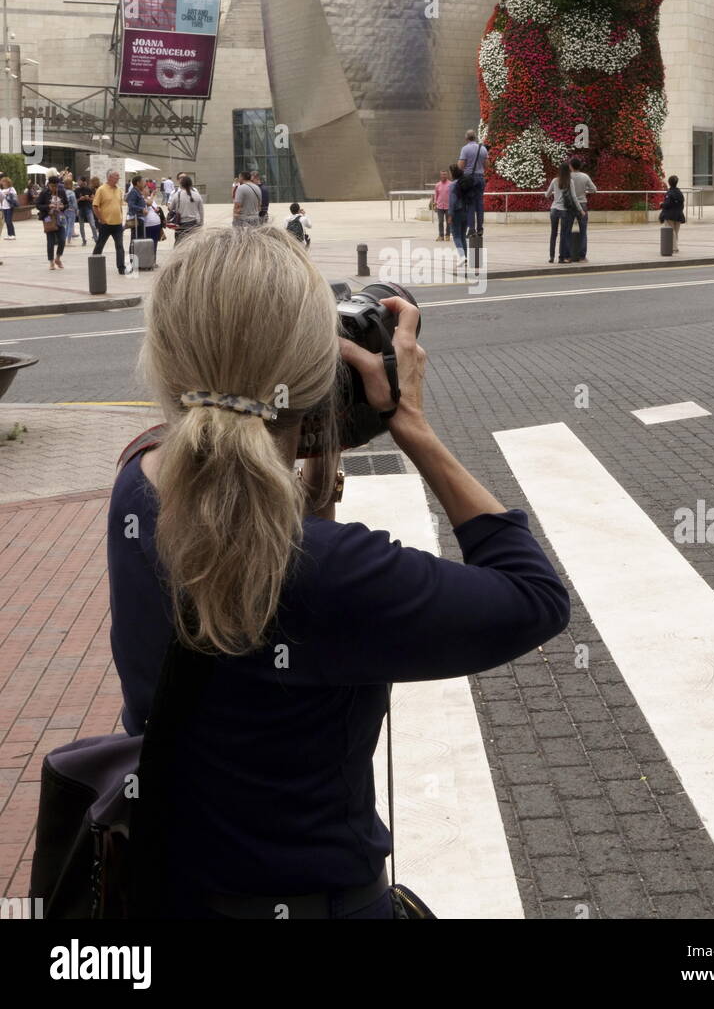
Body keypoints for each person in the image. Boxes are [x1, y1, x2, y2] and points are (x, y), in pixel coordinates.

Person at [106, 226, 570, 919]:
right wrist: (410, 424)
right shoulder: (326, 572)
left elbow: (232, 479)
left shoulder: (136, 484)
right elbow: (534, 597)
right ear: (319, 372)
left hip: (168, 884)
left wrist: (301, 441)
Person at [93, 170, 129, 276]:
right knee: (100, 244)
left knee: (120, 246)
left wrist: (122, 218)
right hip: (106, 224)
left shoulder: (119, 190)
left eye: (118, 177)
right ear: (109, 177)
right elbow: (95, 206)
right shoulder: (101, 189)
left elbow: (119, 205)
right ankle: (94, 264)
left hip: (117, 224)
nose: (118, 178)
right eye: (116, 177)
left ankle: (121, 268)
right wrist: (100, 219)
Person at [544, 162, 580, 264]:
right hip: (564, 210)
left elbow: (547, 195)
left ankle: (551, 257)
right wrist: (580, 209)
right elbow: (574, 197)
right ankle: (561, 258)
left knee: (553, 234)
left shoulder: (555, 180)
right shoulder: (570, 182)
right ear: (568, 171)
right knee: (563, 235)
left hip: (554, 209)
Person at [457, 130, 488, 241]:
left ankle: (471, 230)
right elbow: (486, 165)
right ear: (475, 137)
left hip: (470, 179)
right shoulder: (483, 149)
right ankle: (480, 229)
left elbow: (460, 166)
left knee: (470, 205)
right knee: (479, 204)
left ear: (466, 138)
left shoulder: (465, 149)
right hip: (480, 178)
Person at [36, 175, 68, 270]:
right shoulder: (44, 193)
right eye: (53, 186)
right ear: (49, 185)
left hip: (60, 218)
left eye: (56, 186)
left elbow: (67, 204)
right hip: (48, 218)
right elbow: (37, 205)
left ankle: (58, 258)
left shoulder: (61, 192)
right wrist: (48, 206)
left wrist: (63, 207)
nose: (54, 188)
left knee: (62, 240)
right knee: (50, 242)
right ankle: (51, 262)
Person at [568, 157, 597, 261]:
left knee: (567, 230)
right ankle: (582, 256)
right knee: (583, 231)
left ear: (571, 166)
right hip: (583, 204)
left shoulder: (568, 177)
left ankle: (568, 255)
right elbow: (594, 189)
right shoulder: (585, 176)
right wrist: (585, 190)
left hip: (570, 205)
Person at [168, 175, 204, 242]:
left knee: (179, 244)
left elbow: (170, 208)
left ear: (181, 185)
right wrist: (201, 223)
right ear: (191, 184)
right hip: (194, 223)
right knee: (192, 244)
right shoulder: (197, 195)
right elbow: (201, 211)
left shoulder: (177, 195)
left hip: (180, 224)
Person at [448, 163, 469, 267]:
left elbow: (452, 201)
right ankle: (465, 257)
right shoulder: (463, 183)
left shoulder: (453, 185)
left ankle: (462, 256)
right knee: (463, 236)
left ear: (453, 173)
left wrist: (450, 214)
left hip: (457, 212)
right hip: (466, 211)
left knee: (456, 236)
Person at [659, 174, 686, 252]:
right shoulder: (680, 193)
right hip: (679, 215)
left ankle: (674, 248)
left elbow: (667, 204)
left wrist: (661, 204)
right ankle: (674, 246)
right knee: (675, 232)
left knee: (671, 232)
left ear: (669, 183)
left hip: (670, 215)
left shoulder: (669, 193)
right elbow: (682, 204)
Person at [126, 176, 149, 256]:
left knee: (139, 239)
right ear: (138, 183)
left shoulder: (138, 192)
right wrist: (141, 209)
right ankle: (133, 259)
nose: (144, 184)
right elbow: (131, 205)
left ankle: (139, 259)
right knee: (135, 239)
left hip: (140, 218)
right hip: (136, 219)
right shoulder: (134, 192)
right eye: (143, 182)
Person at [75, 177, 98, 245]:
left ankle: (96, 239)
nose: (78, 182)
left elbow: (94, 199)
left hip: (88, 209)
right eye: (78, 181)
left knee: (92, 224)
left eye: (79, 181)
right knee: (81, 226)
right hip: (80, 209)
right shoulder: (76, 190)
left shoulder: (88, 189)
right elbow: (74, 201)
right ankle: (83, 240)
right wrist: (80, 199)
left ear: (83, 182)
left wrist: (88, 198)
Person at [143, 193, 164, 263]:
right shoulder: (141, 199)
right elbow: (149, 203)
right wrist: (152, 196)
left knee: (155, 244)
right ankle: (148, 262)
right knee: (148, 245)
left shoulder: (150, 198)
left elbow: (154, 207)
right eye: (145, 188)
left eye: (147, 188)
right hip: (148, 225)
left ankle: (153, 261)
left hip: (156, 225)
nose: (147, 190)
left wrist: (157, 210)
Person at [432, 170, 451, 242]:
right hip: (440, 206)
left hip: (448, 206)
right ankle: (441, 235)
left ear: (447, 175)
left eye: (445, 174)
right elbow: (436, 195)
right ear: (440, 175)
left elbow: (452, 195)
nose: (443, 176)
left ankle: (448, 235)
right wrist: (435, 204)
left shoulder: (451, 184)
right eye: (442, 175)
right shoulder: (437, 185)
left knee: (449, 222)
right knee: (440, 221)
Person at [0, 175, 18, 239]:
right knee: (6, 221)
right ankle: (9, 234)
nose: (2, 183)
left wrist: (8, 193)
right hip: (4, 207)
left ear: (7, 182)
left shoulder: (11, 189)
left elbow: (15, 196)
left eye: (4, 182)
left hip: (9, 207)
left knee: (9, 221)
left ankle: (13, 235)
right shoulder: (2, 190)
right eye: (2, 182)